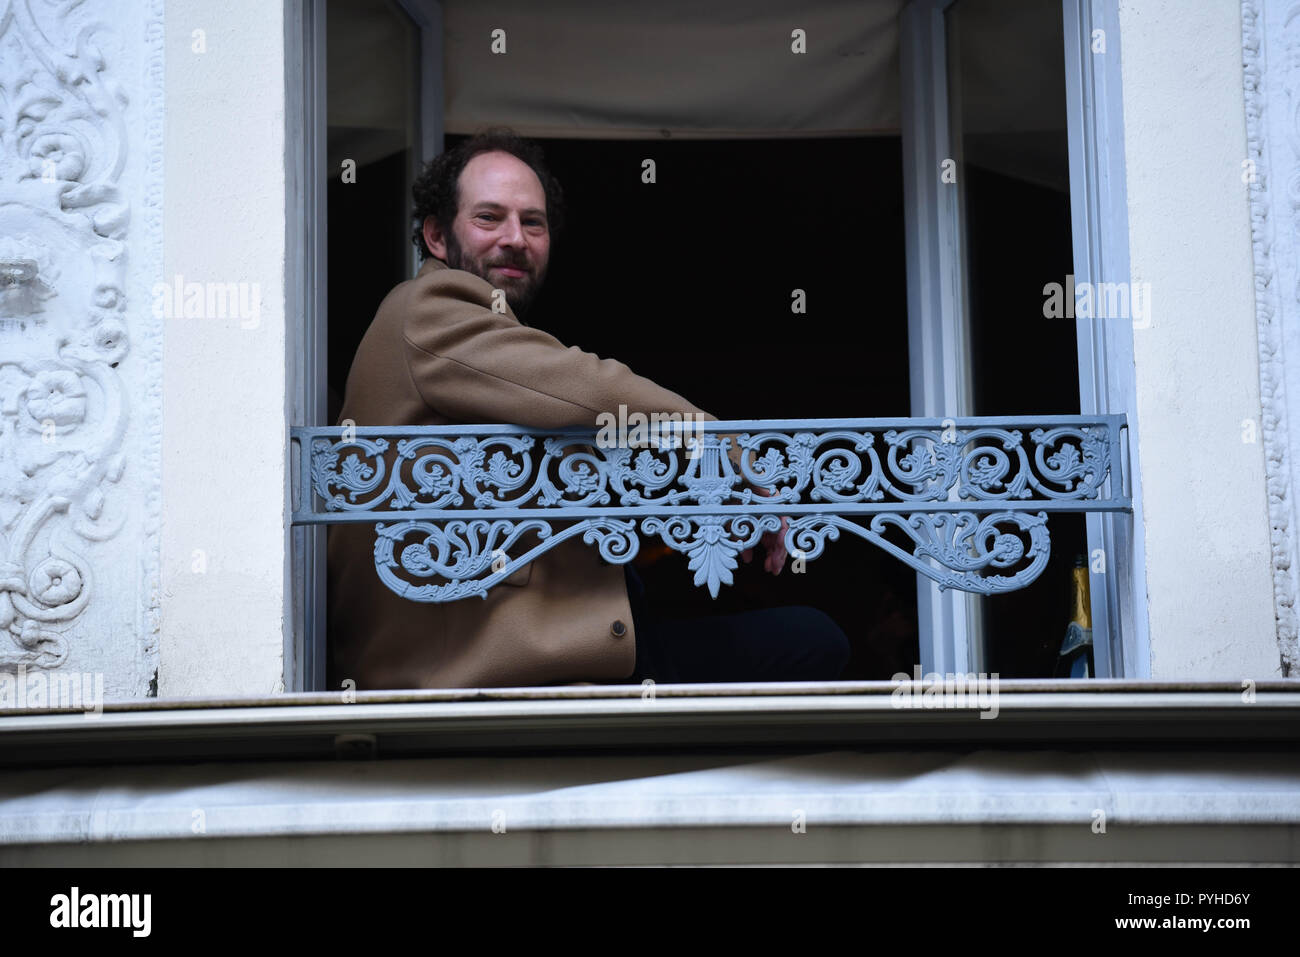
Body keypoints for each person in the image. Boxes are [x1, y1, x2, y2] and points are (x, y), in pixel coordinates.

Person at [326, 128, 849, 689]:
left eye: (533, 222)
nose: (515, 238)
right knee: (813, 641)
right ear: (435, 235)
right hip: (475, 668)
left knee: (794, 638)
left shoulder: (470, 332)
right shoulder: (427, 306)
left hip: (552, 638)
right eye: (488, 218)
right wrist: (728, 452)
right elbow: (587, 389)